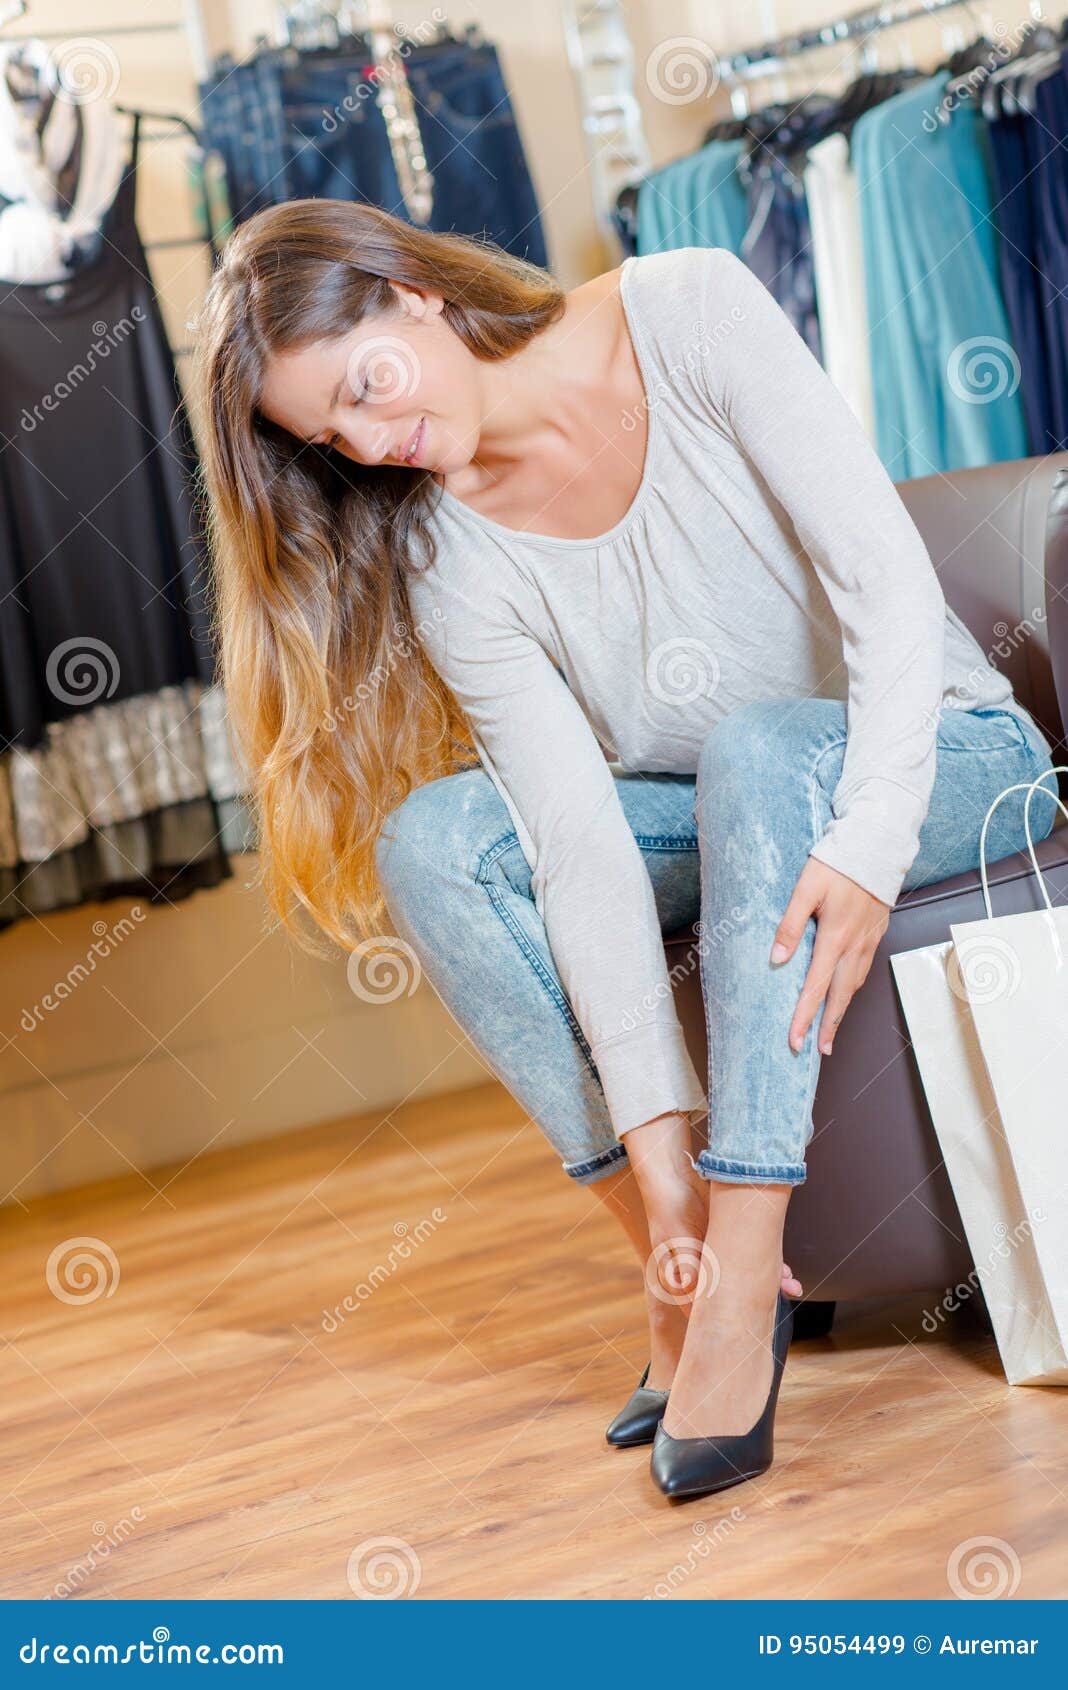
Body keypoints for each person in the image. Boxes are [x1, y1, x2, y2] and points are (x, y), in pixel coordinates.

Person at [190, 197, 1059, 1501]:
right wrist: (662, 1194)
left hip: (944, 760)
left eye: (368, 387)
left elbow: (884, 577)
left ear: (415, 292)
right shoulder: (445, 555)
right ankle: (697, 1260)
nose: (379, 440)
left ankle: (756, 1245)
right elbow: (579, 848)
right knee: (441, 839)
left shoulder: (690, 309)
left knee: (759, 750)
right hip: (726, 810)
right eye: (336, 436)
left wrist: (873, 835)